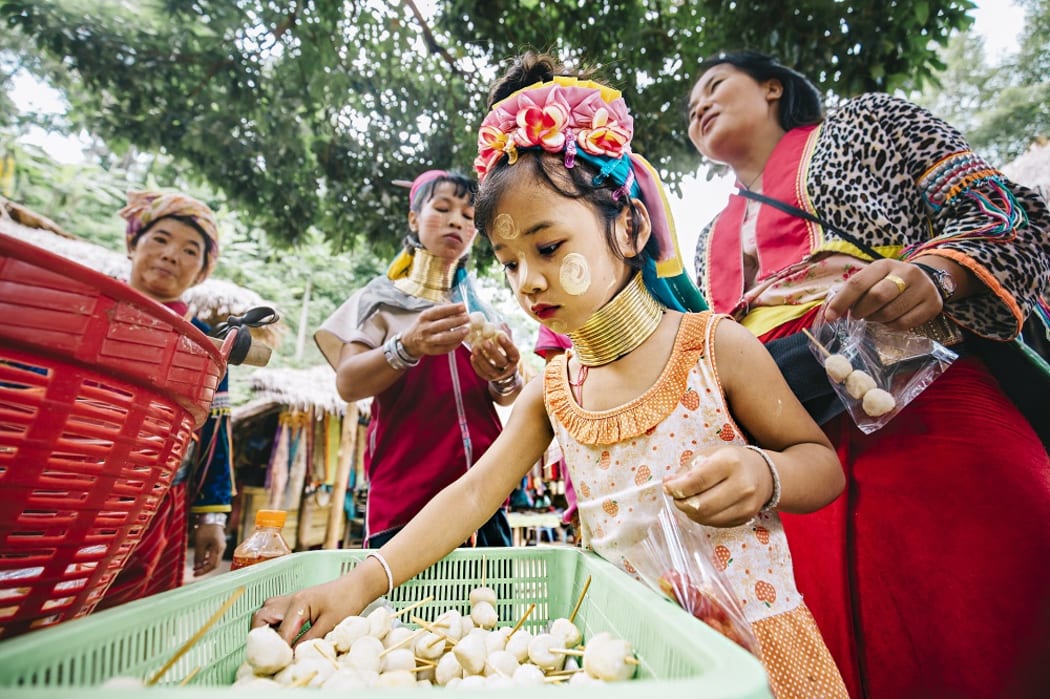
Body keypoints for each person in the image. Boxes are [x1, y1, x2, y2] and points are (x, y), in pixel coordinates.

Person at [257, 52, 849, 698]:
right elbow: (471, 495)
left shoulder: (716, 347)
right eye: (508, 262)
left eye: (548, 247)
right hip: (631, 666)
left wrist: (767, 474)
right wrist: (356, 584)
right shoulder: (555, 389)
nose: (528, 281)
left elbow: (821, 464)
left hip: (756, 656)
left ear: (630, 227)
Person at [687, 51, 1050, 699]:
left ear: (774, 87)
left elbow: (1007, 212)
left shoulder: (868, 124)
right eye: (691, 108)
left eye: (714, 85)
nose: (700, 106)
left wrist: (938, 273)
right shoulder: (706, 237)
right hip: (789, 460)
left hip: (923, 403)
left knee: (988, 622)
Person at [314, 169, 522, 549]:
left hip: (485, 502)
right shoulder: (381, 298)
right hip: (406, 504)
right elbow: (348, 383)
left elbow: (507, 397)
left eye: (467, 215)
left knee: (489, 608)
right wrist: (407, 346)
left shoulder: (482, 310)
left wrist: (507, 376)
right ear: (414, 218)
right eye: (442, 208)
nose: (456, 221)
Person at [97, 190, 234, 608]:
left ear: (201, 271)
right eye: (160, 239)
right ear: (133, 244)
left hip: (155, 509)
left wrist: (211, 517)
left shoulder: (204, 344)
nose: (171, 255)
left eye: (189, 250)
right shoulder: (90, 309)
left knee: (135, 624)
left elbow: (214, 435)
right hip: (71, 494)